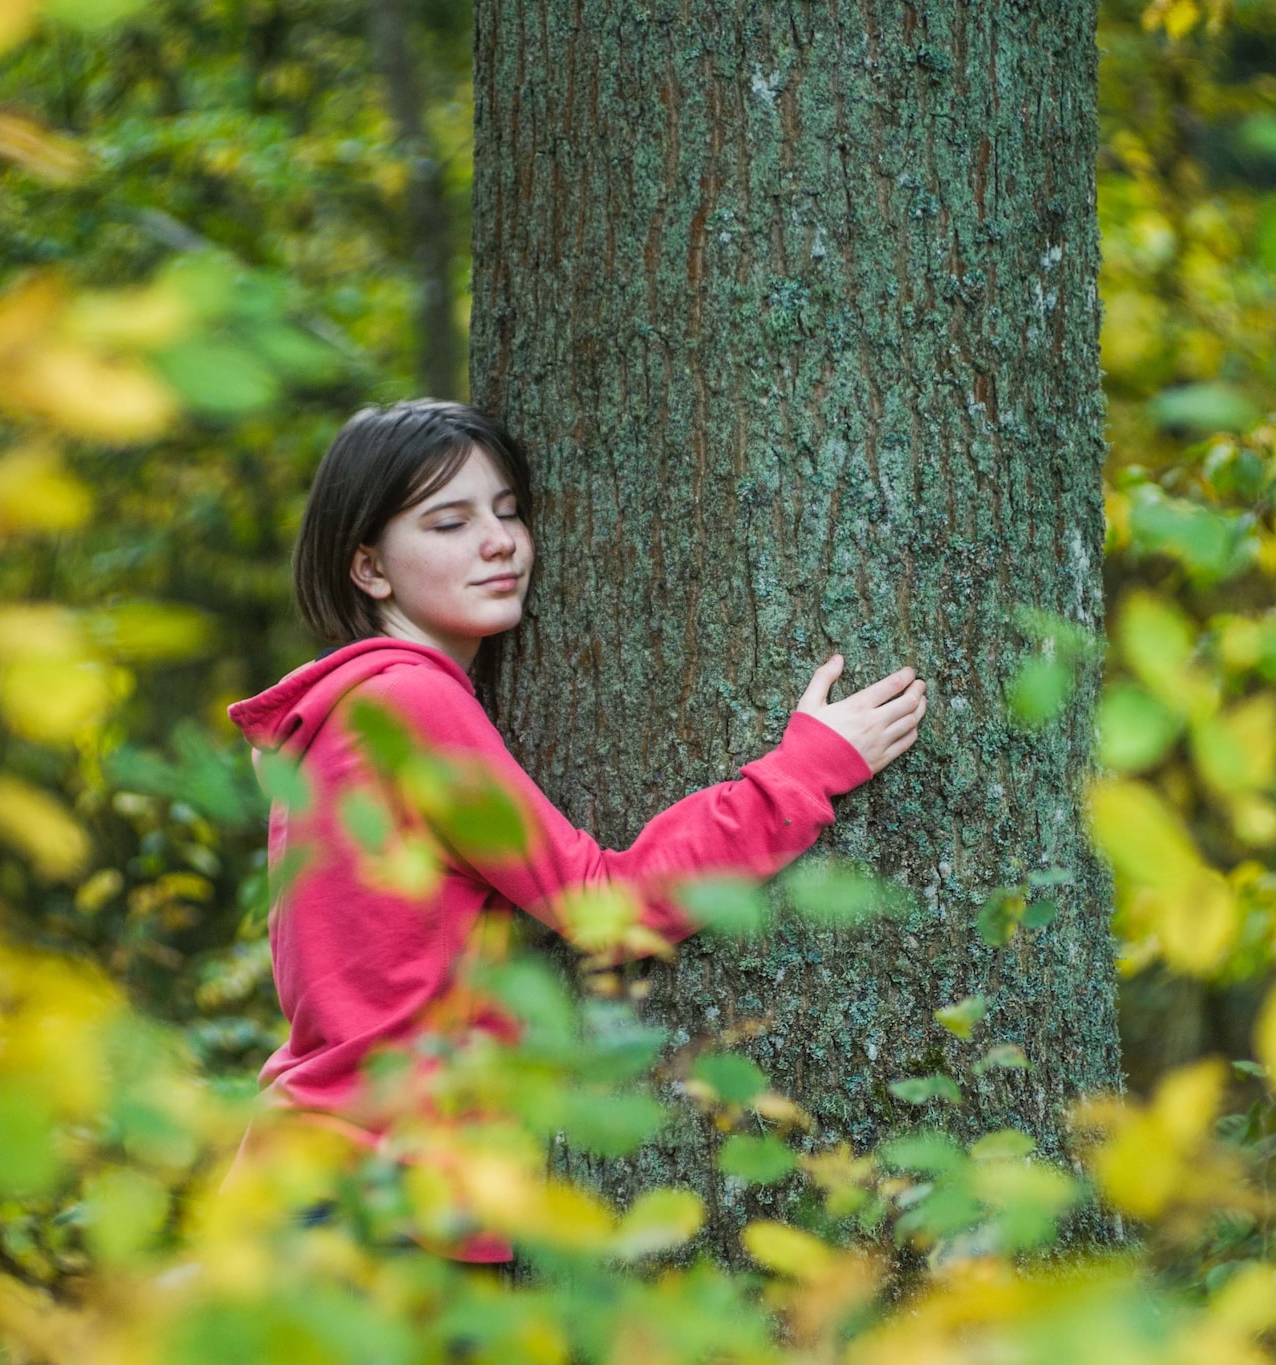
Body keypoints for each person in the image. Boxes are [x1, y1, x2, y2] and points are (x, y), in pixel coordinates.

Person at [225, 399, 927, 1260]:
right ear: (369, 567)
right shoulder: (407, 703)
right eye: (449, 522)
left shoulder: (344, 716)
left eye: (508, 510)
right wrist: (804, 772)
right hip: (376, 1204)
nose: (499, 542)